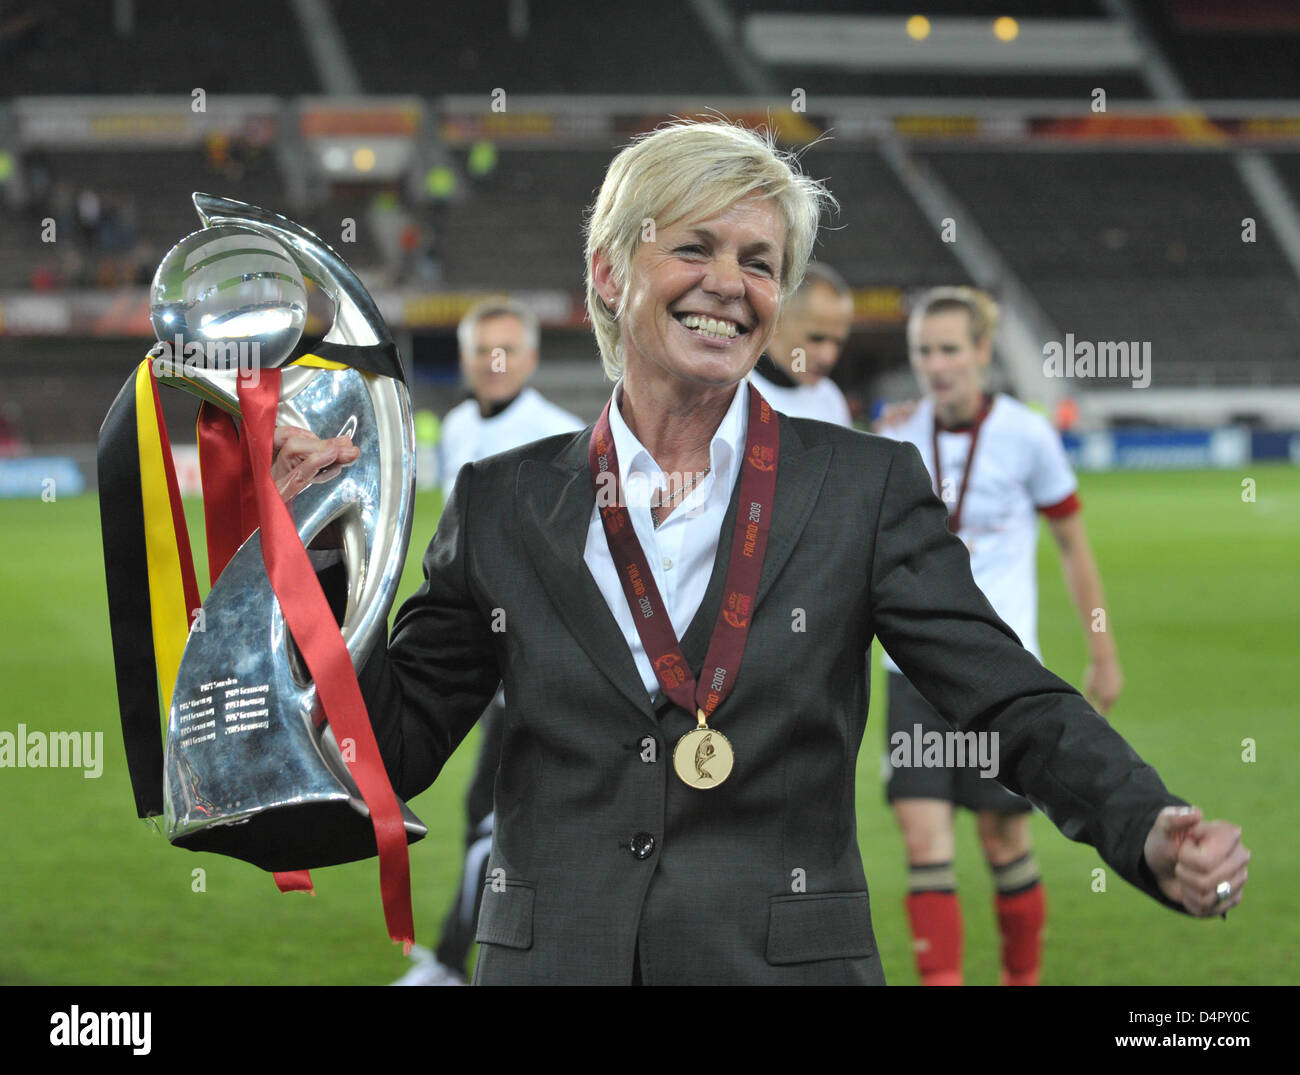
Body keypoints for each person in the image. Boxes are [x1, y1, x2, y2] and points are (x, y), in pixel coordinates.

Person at [270, 121, 1249, 986]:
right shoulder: (500, 500)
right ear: (609, 273)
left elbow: (1003, 693)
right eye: (693, 247)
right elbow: (389, 751)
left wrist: (1141, 823)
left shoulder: (863, 487)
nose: (730, 286)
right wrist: (313, 548)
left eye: (760, 261)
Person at [875, 286, 1123, 986]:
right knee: (924, 841)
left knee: (1004, 836)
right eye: (923, 351)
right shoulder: (894, 434)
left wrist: (1102, 652)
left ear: (982, 351)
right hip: (910, 671)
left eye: (951, 349)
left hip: (1000, 671)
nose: (937, 365)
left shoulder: (1027, 434)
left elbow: (1075, 546)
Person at [396, 297, 582, 986]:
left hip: (531, 667)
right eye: (481, 350)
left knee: (499, 816)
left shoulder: (565, 436)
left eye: (507, 350)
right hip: (470, 657)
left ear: (531, 359)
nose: (493, 363)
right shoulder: (459, 424)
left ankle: (453, 964)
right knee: (493, 814)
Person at [747, 261, 854, 427]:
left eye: (838, 343)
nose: (828, 357)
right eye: (816, 339)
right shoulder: (732, 395)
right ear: (776, 324)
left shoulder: (830, 398)